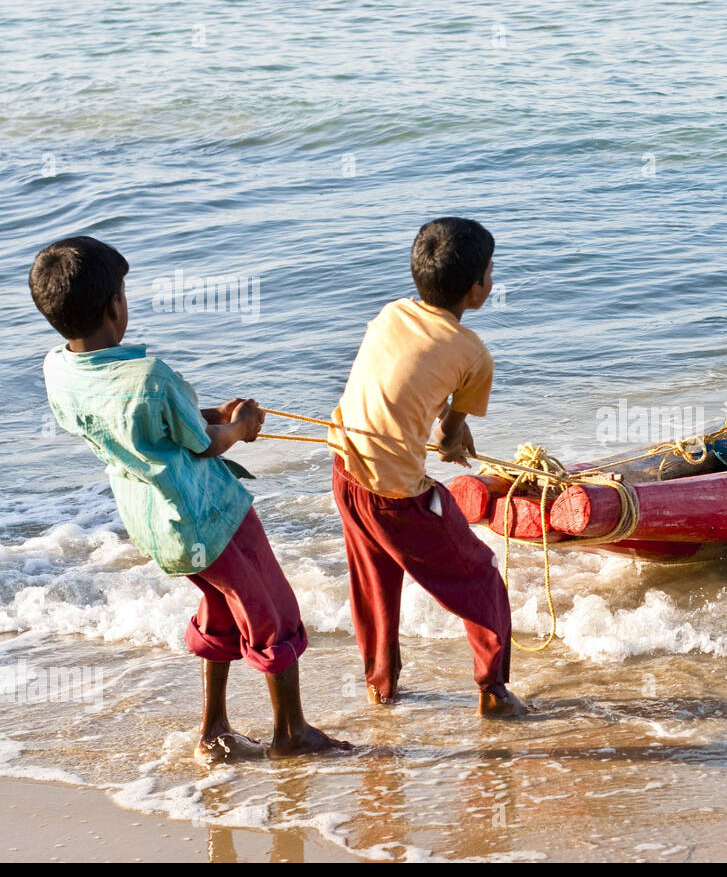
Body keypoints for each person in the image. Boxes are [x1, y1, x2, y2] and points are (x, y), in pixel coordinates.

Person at [32, 236, 350, 763]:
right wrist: (240, 426)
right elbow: (206, 445)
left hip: (157, 525)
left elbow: (144, 428)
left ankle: (214, 728)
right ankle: (290, 733)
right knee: (274, 613)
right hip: (211, 517)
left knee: (221, 606)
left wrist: (207, 415)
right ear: (115, 304)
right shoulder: (150, 377)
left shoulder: (58, 371)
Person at [327, 217, 529, 717]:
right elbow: (445, 436)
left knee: (374, 580)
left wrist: (448, 432)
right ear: (478, 287)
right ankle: (493, 691)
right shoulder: (474, 353)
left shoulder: (392, 312)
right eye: (490, 271)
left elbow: (409, 390)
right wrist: (452, 437)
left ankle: (381, 684)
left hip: (345, 468)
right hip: (395, 493)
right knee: (480, 576)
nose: (492, 278)